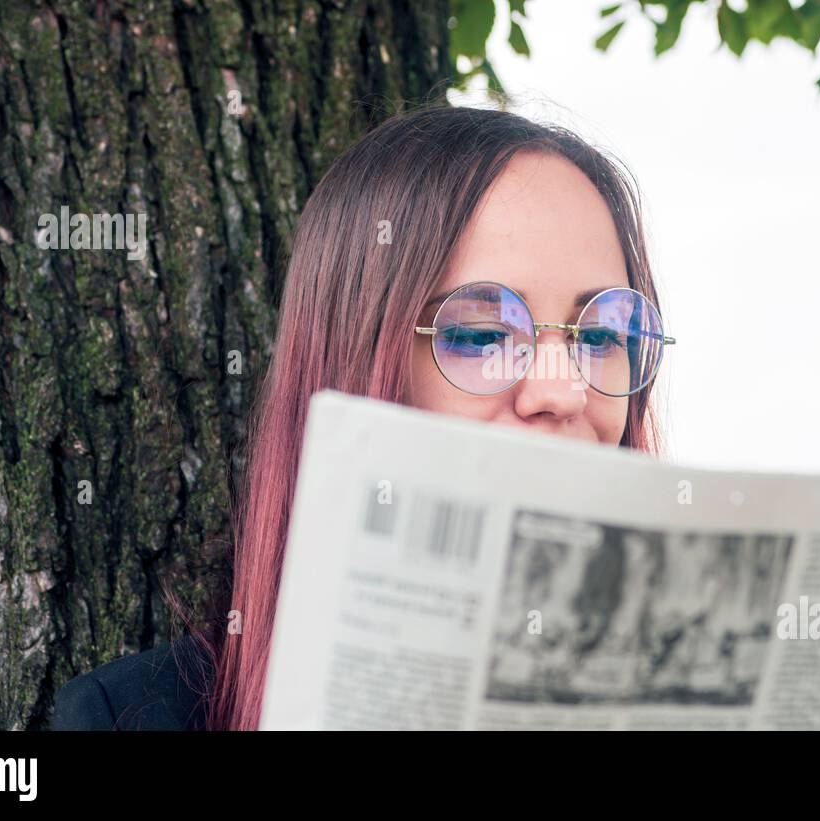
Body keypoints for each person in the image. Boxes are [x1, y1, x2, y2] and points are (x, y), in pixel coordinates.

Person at [50, 100, 675, 730]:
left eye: (600, 339)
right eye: (484, 336)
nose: (563, 392)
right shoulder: (129, 718)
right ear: (355, 358)